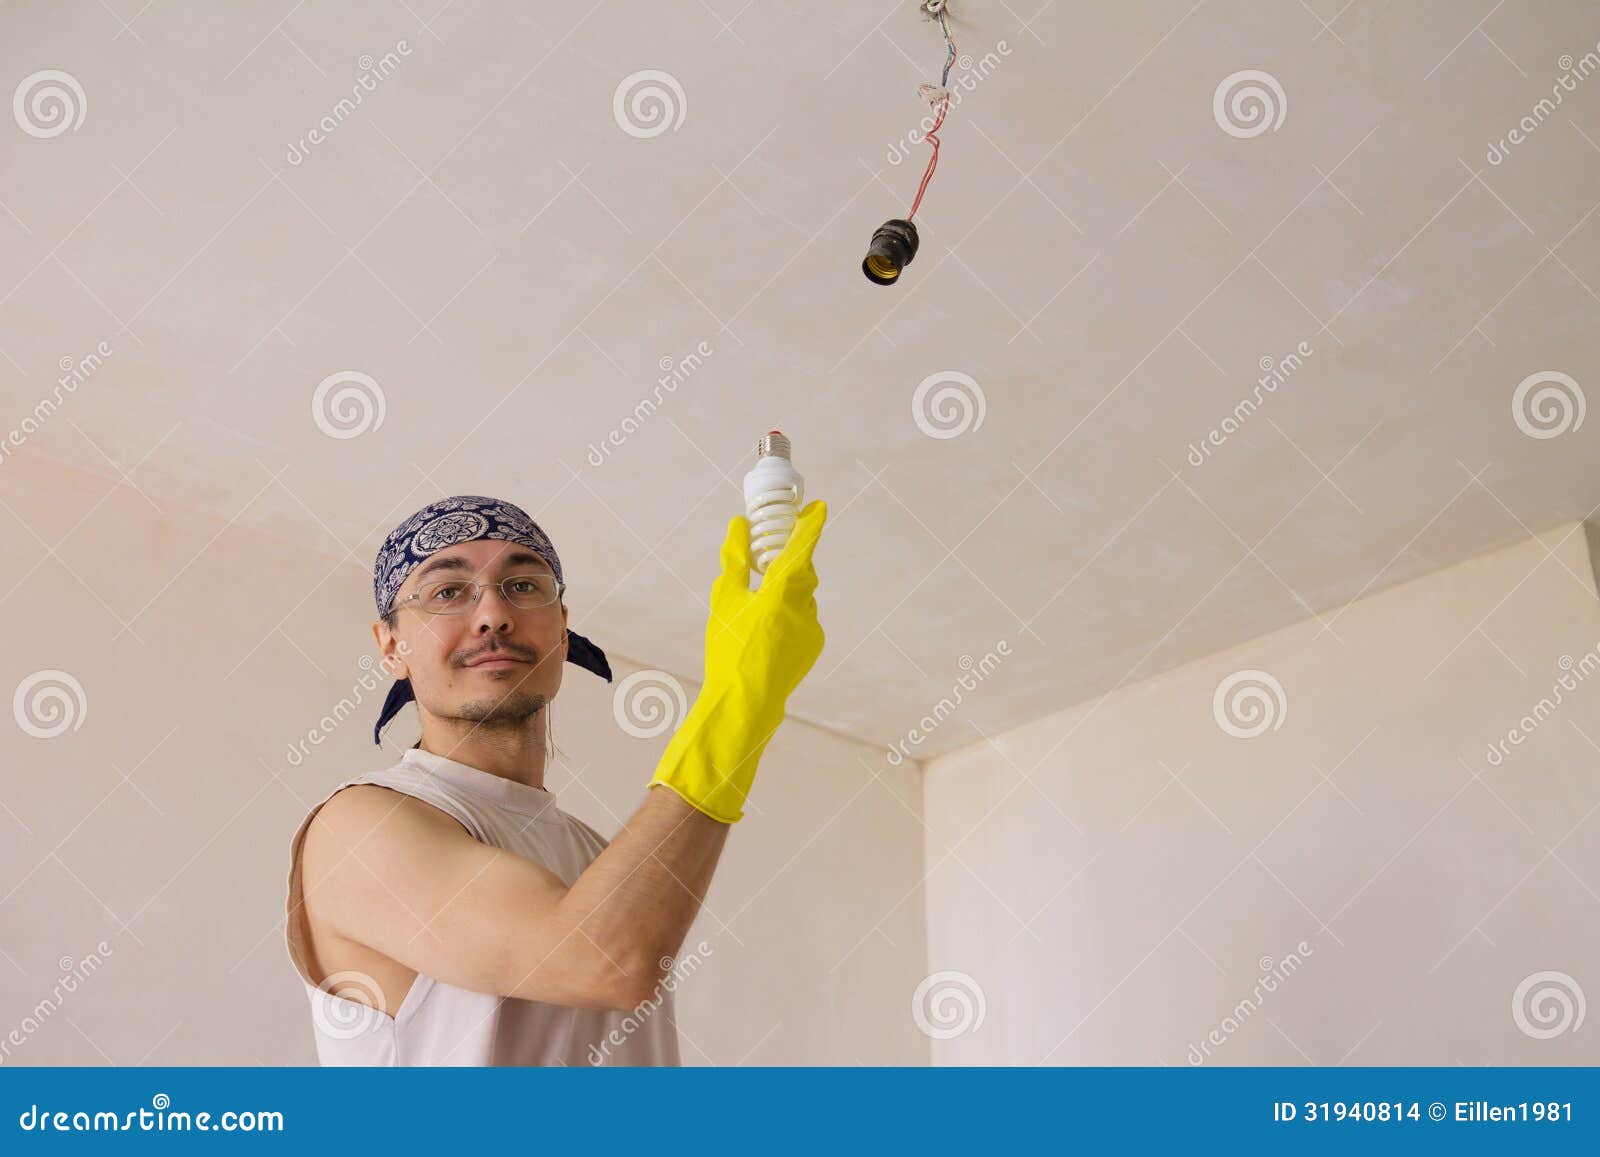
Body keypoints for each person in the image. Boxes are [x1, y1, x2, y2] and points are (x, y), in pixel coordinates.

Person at [283, 493, 827, 1065]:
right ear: (391, 646)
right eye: (448, 592)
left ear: (562, 628)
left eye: (523, 586)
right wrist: (737, 706)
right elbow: (604, 960)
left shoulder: (596, 856)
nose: (493, 615)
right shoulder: (362, 827)